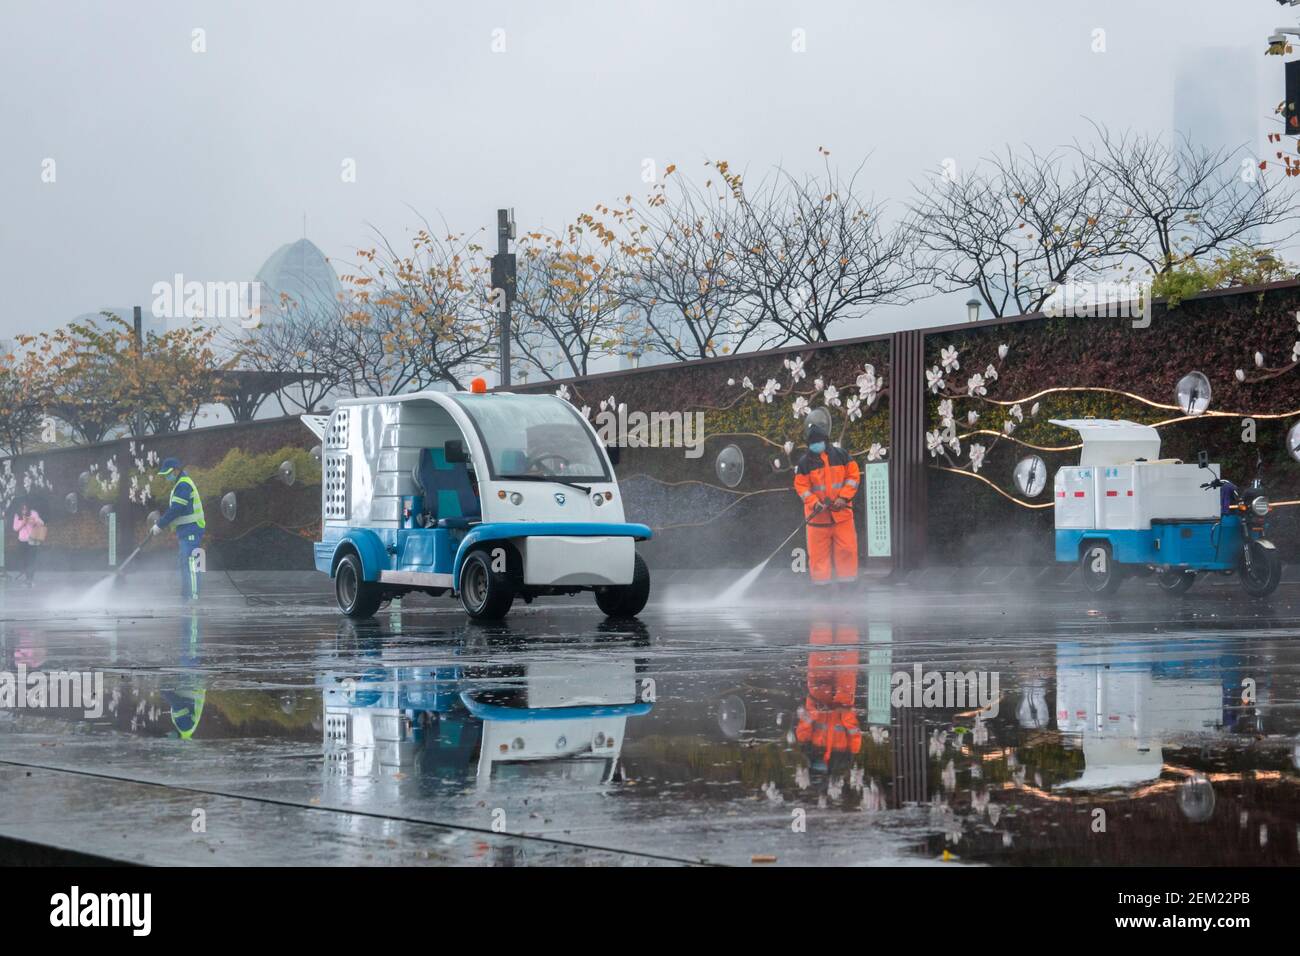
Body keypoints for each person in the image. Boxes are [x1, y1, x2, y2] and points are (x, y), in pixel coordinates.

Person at [793, 420, 860, 588]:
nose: (817, 445)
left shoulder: (841, 455)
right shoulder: (804, 463)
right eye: (813, 443)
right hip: (817, 520)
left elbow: (853, 476)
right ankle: (821, 590)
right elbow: (802, 487)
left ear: (826, 440)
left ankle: (848, 587)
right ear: (808, 445)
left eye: (819, 441)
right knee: (818, 557)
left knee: (847, 551)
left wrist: (843, 498)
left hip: (842, 516)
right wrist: (814, 503)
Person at [151, 458, 205, 600]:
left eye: (168, 473)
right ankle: (188, 595)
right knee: (186, 563)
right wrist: (161, 523)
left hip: (191, 530)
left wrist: (160, 525)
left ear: (176, 470)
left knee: (190, 564)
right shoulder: (180, 483)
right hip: (188, 531)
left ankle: (192, 597)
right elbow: (176, 509)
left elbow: (176, 509)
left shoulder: (183, 485)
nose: (167, 477)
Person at [11, 502, 45, 587]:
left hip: (32, 539)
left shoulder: (33, 513)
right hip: (22, 540)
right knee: (25, 560)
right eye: (22, 509)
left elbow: (41, 523)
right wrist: (23, 522)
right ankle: (27, 578)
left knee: (32, 560)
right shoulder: (17, 515)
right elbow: (15, 528)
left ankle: (30, 579)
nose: (24, 511)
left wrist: (33, 521)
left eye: (26, 509)